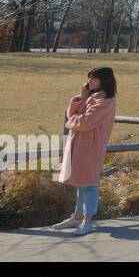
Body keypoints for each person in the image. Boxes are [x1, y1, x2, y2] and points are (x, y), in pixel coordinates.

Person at [52, 67, 118, 236]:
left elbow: (86, 122)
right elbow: (71, 114)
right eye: (89, 78)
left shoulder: (106, 101)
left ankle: (87, 221)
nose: (90, 82)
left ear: (104, 80)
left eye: (94, 78)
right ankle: (78, 216)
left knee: (89, 183)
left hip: (91, 145)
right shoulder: (91, 97)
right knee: (80, 182)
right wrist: (82, 98)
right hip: (79, 143)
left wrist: (73, 120)